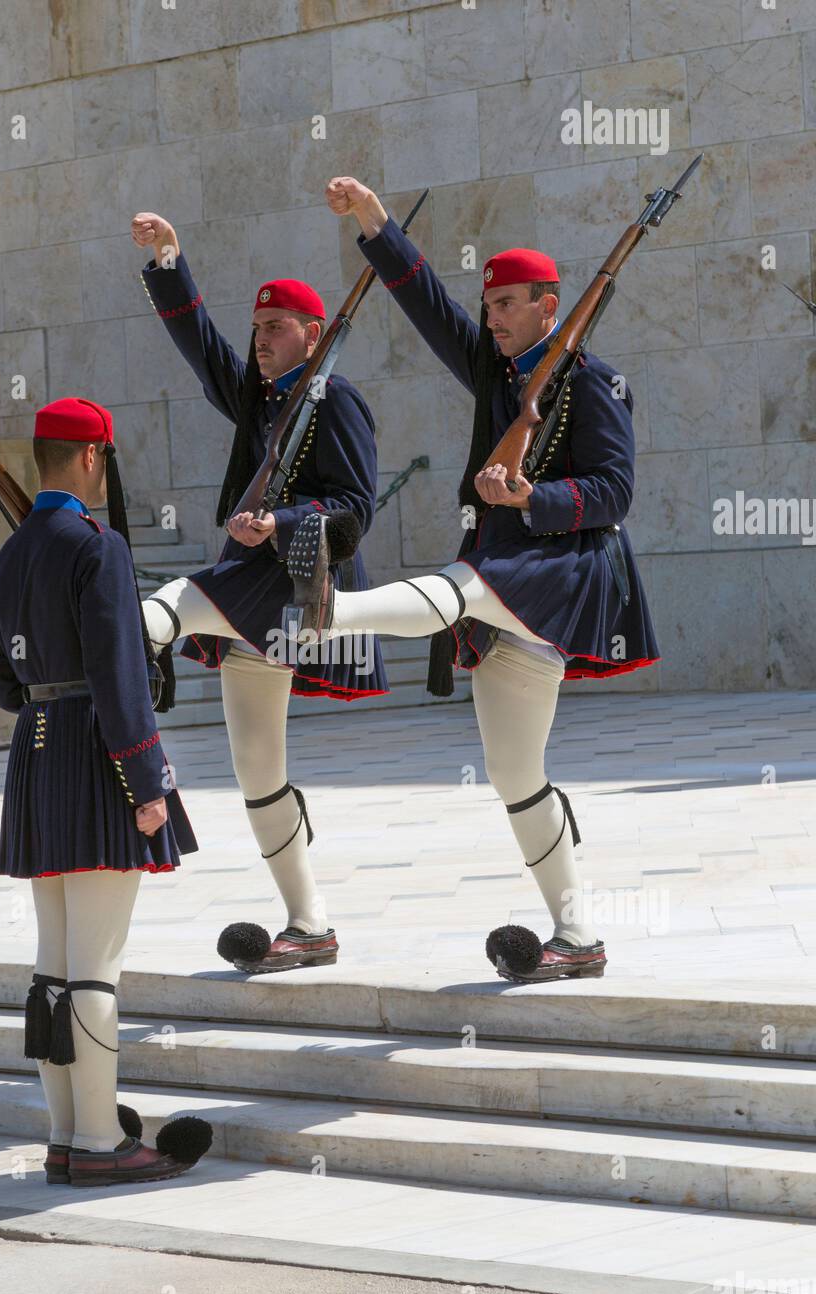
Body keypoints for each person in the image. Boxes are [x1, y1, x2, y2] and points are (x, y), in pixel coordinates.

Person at [281, 176, 661, 984]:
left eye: (510, 305)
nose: (492, 317)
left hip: (561, 572)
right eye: (490, 305)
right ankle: (577, 937)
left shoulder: (594, 383)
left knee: (463, 583)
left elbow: (616, 492)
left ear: (550, 307)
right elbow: (425, 304)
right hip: (509, 588)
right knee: (514, 774)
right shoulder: (495, 374)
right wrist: (374, 220)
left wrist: (534, 496)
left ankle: (334, 610)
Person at [130, 210, 388, 974]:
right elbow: (203, 349)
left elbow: (355, 513)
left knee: (162, 608)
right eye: (258, 327)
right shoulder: (261, 400)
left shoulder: (337, 402)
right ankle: (310, 924)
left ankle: (127, 732)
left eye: (277, 327)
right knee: (257, 769)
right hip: (252, 588)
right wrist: (169, 262)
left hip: (287, 585)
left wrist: (277, 522)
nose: (261, 338)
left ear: (313, 334)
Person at [0, 395, 211, 1184]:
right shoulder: (96, 546)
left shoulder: (8, 556)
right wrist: (148, 782)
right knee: (94, 968)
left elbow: (8, 687)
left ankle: (64, 1134)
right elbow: (120, 679)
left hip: (35, 755)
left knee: (54, 967)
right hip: (95, 755)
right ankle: (103, 1146)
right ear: (90, 458)